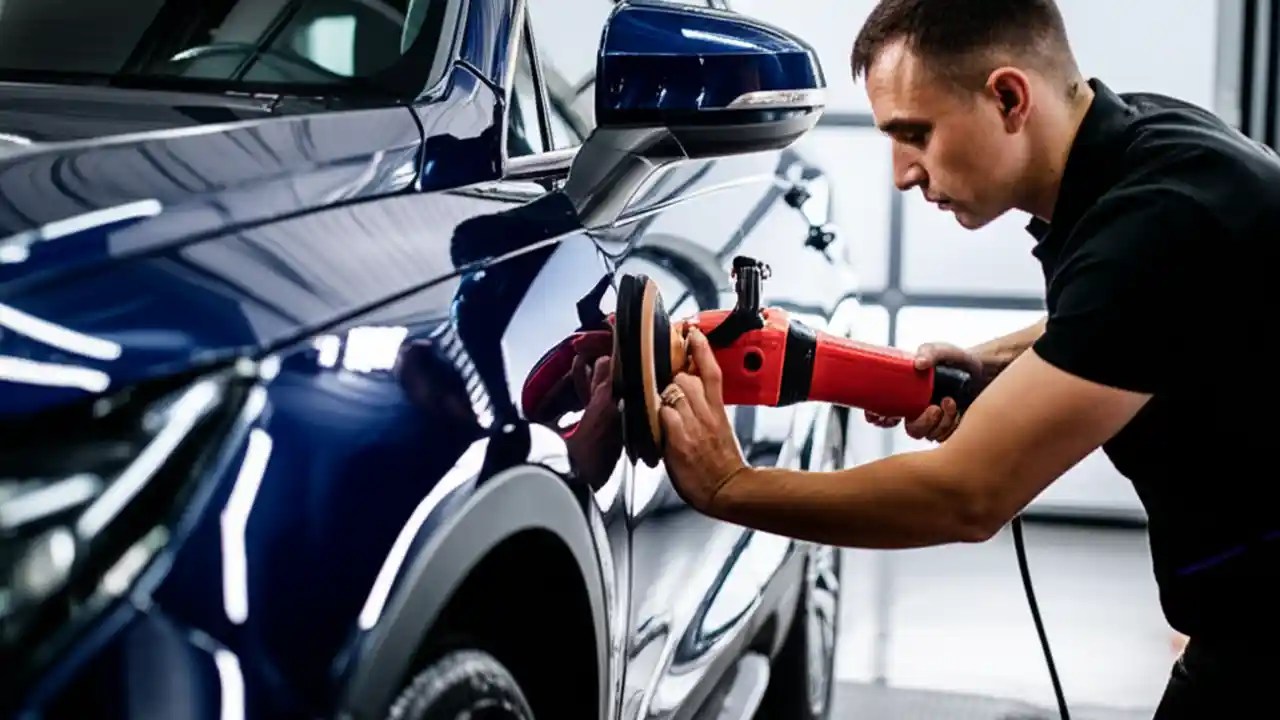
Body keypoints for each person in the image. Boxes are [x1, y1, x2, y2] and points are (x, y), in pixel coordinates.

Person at [655, 0, 1278, 716]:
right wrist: (990, 363)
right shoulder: (1149, 150)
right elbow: (1122, 319)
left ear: (1009, 98)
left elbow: (966, 496)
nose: (900, 174)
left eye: (914, 134)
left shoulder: (1161, 222)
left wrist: (729, 486)